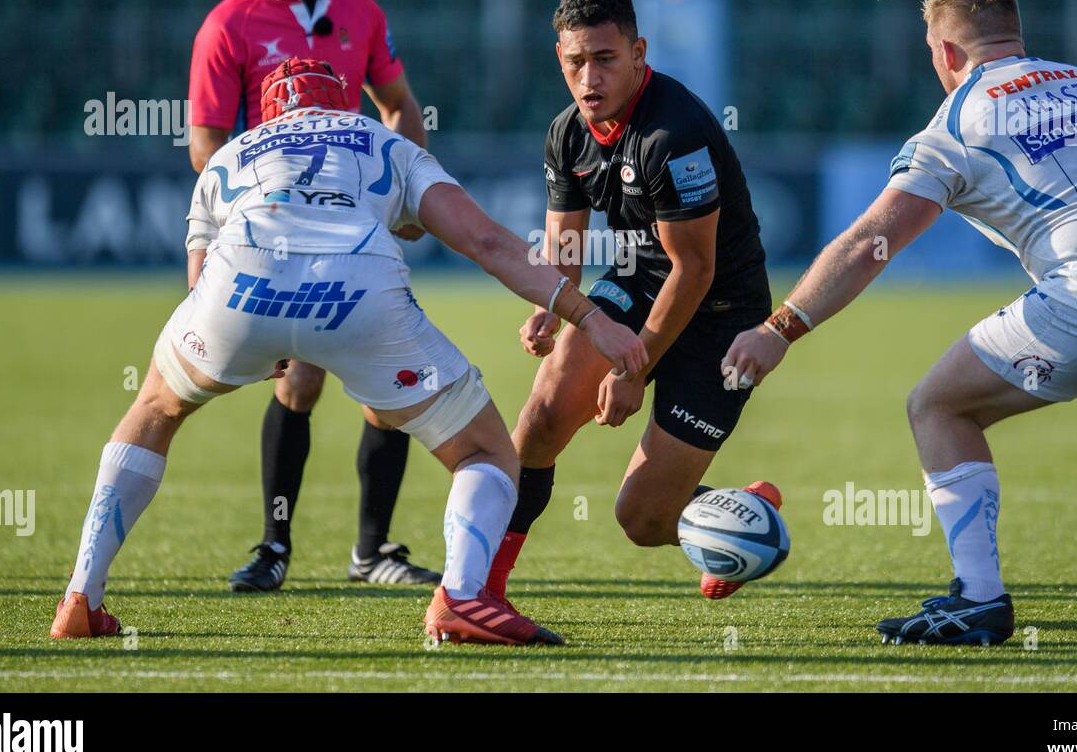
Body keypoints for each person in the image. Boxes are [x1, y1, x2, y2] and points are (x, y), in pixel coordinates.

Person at [50, 57, 647, 646]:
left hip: (237, 290)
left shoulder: (231, 155)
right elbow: (486, 241)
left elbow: (198, 280)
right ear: (344, 103)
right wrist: (587, 316)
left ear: (268, 110)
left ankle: (82, 594)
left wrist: (265, 342)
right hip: (358, 295)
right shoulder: (383, 143)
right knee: (486, 451)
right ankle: (461, 598)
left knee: (154, 409)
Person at [722, 0, 1077, 645]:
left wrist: (780, 327)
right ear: (1016, 33)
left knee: (939, 405)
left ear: (945, 53)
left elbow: (874, 240)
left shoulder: (960, 117)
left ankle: (979, 599)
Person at [485, 0, 780, 610]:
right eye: (575, 62)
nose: (589, 77)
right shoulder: (568, 133)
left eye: (605, 59)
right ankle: (484, 590)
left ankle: (740, 516)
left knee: (642, 521)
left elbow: (695, 271)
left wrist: (633, 369)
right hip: (636, 282)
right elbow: (565, 246)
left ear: (639, 52)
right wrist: (548, 306)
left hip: (720, 319)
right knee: (536, 425)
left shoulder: (676, 134)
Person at [187, 0, 436, 591]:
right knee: (297, 384)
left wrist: (413, 186)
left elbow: (398, 105)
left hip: (355, 226)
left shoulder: (359, 10)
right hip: (276, 236)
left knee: (387, 386)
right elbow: (206, 145)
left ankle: (372, 552)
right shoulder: (227, 25)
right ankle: (274, 546)